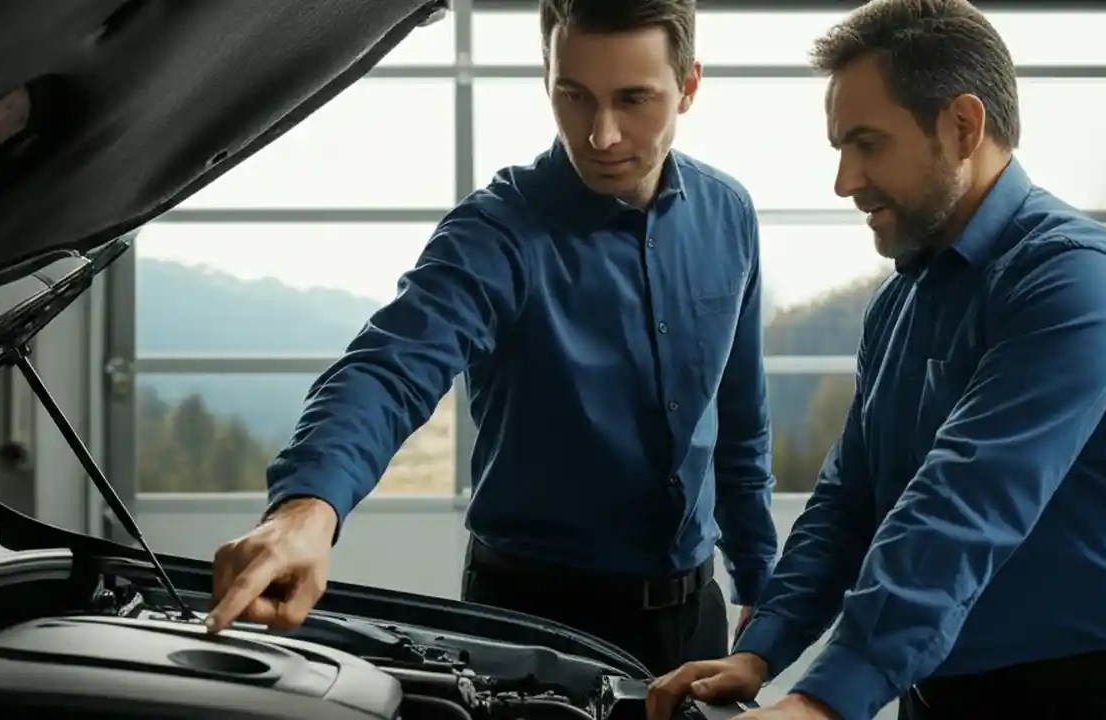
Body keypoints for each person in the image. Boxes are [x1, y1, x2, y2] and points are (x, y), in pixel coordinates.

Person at [203, 0, 780, 677]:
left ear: (688, 86)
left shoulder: (730, 214)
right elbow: (388, 369)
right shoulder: (495, 232)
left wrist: (759, 576)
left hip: (694, 618)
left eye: (633, 99)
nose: (601, 135)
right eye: (574, 95)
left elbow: (740, 419)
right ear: (546, 77)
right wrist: (307, 509)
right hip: (533, 623)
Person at [644, 1, 1106, 719]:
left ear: (963, 126)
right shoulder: (899, 303)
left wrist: (825, 699)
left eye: (867, 144)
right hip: (936, 695)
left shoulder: (1074, 280)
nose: (844, 180)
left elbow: (965, 502)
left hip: (1092, 699)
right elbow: (849, 502)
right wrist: (760, 650)